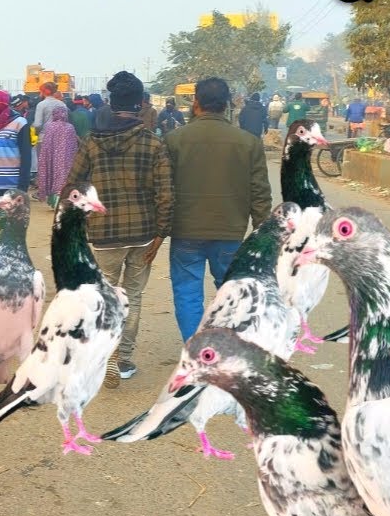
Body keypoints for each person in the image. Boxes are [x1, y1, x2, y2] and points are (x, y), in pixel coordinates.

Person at [64, 71, 172, 384]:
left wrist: (76, 225)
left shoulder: (91, 144)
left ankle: (103, 356)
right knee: (133, 297)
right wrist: (160, 233)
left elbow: (72, 187)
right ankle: (123, 359)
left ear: (111, 104)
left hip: (102, 233)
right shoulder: (154, 144)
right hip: (143, 234)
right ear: (141, 105)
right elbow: (165, 193)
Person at [164, 77, 272, 341]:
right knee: (231, 291)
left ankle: (195, 348)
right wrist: (263, 234)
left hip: (185, 231)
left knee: (187, 291)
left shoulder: (174, 139)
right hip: (231, 231)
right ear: (227, 104)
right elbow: (260, 192)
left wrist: (159, 228)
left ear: (196, 102)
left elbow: (164, 189)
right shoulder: (248, 142)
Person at [0, 89, 31, 258]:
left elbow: (26, 158)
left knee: (10, 238)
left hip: (12, 190)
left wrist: (22, 189)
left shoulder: (20, 123)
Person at [36, 105, 78, 207]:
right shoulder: (70, 127)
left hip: (52, 157)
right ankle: (61, 200)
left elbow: (46, 144)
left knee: (52, 176)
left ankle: (52, 200)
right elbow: (74, 146)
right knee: (63, 178)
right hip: (66, 158)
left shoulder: (49, 127)